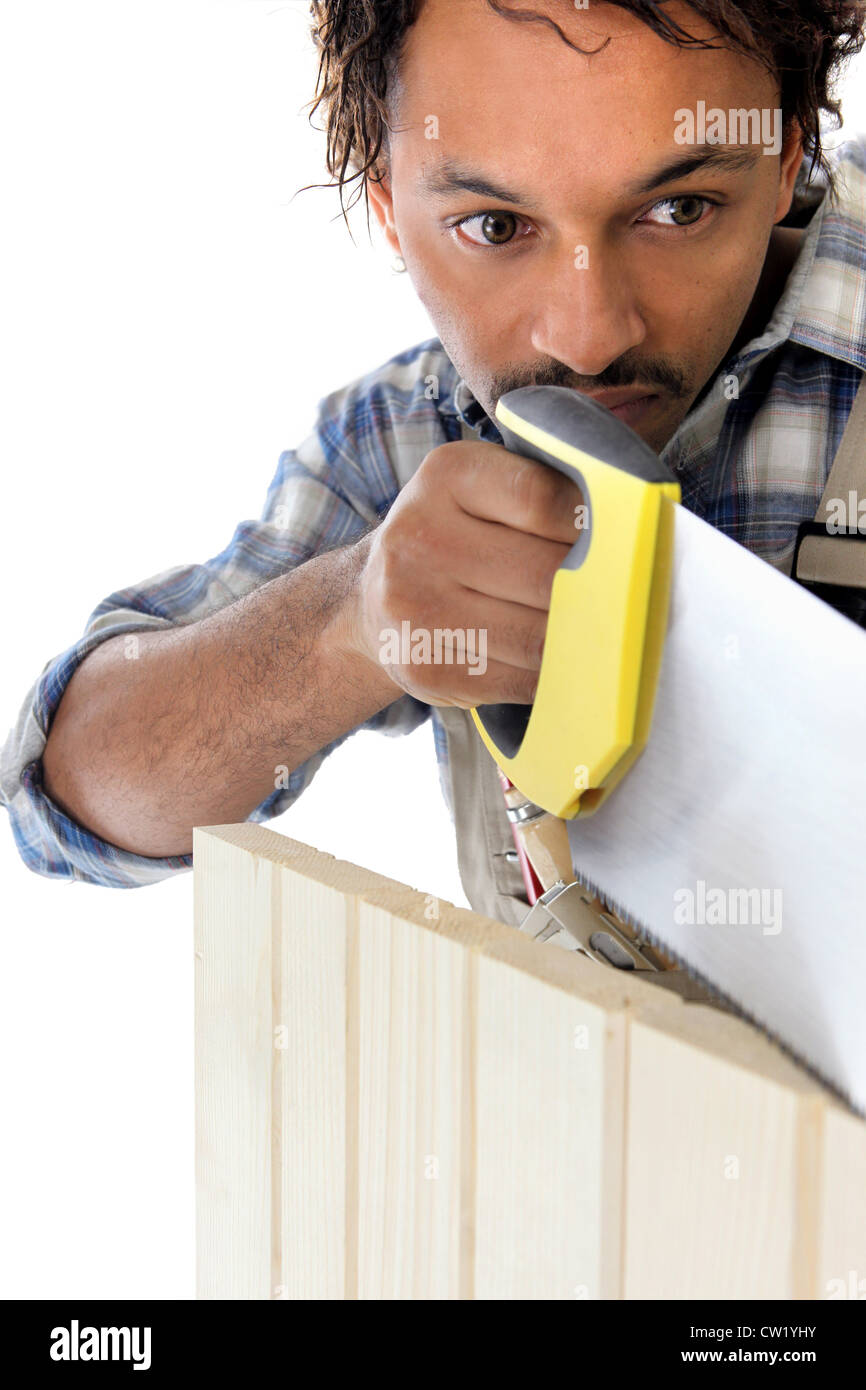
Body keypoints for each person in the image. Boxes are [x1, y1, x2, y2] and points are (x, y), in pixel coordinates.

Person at [3, 0, 865, 923]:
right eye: (495, 226)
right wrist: (352, 621)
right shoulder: (402, 438)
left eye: (679, 209)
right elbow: (71, 807)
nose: (587, 337)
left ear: (786, 156)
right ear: (386, 204)